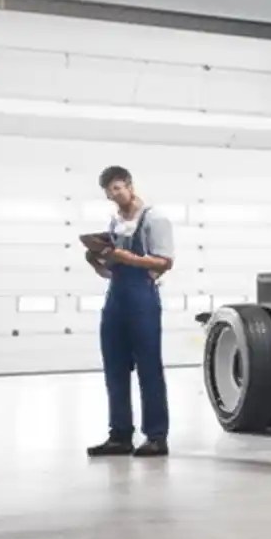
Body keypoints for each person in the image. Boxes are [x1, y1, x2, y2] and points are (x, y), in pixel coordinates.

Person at [85, 166, 175, 458]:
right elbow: (110, 272)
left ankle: (156, 436)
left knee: (149, 368)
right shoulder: (114, 222)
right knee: (114, 367)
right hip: (116, 300)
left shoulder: (155, 218)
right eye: (109, 191)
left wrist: (127, 257)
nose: (114, 195)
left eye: (117, 188)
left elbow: (164, 262)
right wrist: (98, 261)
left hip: (142, 300)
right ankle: (120, 434)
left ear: (130, 185)